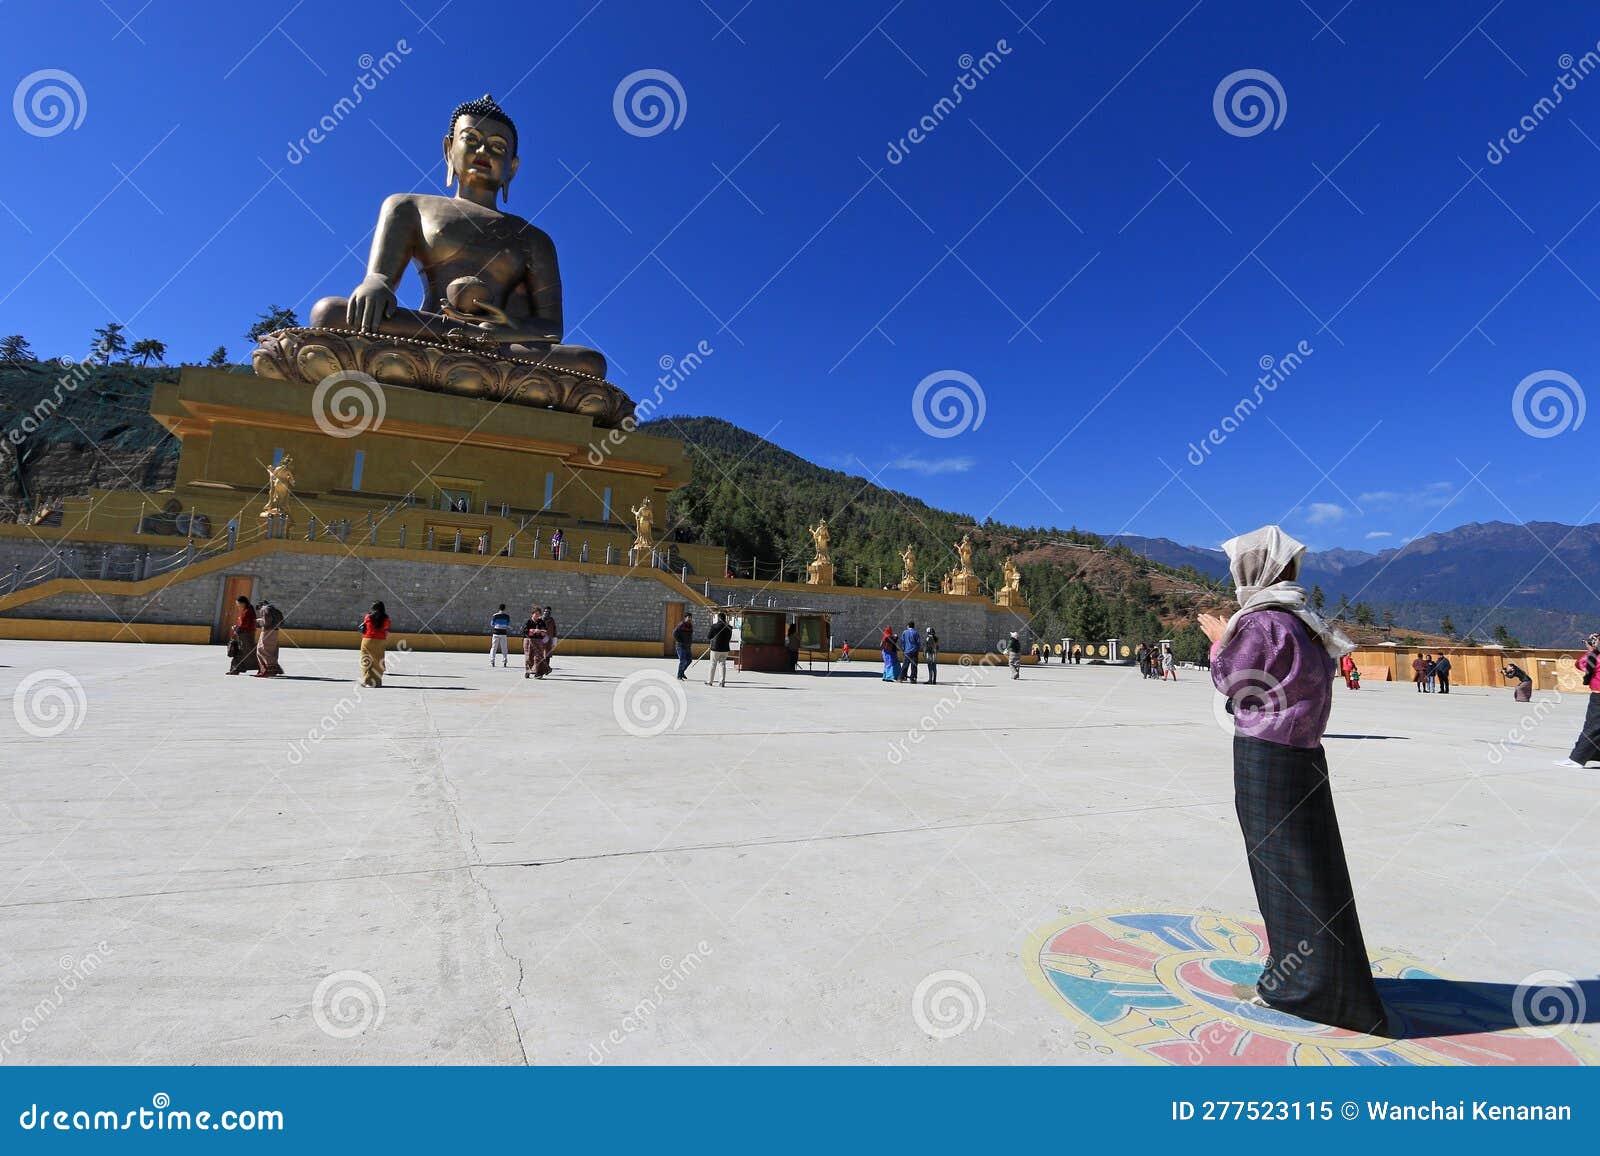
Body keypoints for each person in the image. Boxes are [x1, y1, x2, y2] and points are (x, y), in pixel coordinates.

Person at [1199, 525, 1387, 1036]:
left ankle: (1299, 987)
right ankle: (1323, 979)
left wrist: (1220, 643)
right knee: (1311, 866)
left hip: (1267, 753)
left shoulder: (1261, 622)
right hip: (1303, 752)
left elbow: (1235, 681)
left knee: (1281, 869)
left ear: (1251, 571)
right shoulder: (1303, 619)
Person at [1558, 634, 1600, 767]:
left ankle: (1577, 759)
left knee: (1592, 727)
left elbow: (1580, 664)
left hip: (1598, 696)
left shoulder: (1595, 656)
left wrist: (1591, 649)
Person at [226, 594, 258, 675]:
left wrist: (236, 629)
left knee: (243, 652)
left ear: (243, 603)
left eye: (238, 604)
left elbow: (244, 624)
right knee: (240, 652)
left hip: (245, 635)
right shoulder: (247, 610)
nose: (238, 606)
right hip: (245, 634)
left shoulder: (247, 612)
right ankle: (235, 669)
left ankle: (262, 667)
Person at [360, 601, 390, 687]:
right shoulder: (386, 618)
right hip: (380, 640)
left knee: (366, 659)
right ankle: (377, 681)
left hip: (367, 639)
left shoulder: (368, 616)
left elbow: (365, 625)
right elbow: (386, 628)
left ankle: (367, 680)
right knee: (378, 661)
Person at [254, 600, 284, 678]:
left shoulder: (264, 609)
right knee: (271, 650)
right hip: (275, 631)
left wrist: (258, 621)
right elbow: (281, 621)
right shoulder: (274, 609)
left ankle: (268, 671)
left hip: (267, 631)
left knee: (262, 650)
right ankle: (273, 669)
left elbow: (266, 622)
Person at [523, 605, 553, 679]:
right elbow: (524, 631)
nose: (537, 616)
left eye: (538, 614)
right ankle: (528, 671)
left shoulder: (541, 622)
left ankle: (538, 673)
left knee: (538, 657)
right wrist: (533, 631)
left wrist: (541, 632)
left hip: (538, 641)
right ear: (532, 614)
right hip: (529, 641)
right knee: (529, 657)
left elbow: (545, 631)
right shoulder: (528, 622)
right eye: (536, 614)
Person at [706, 612, 733, 687]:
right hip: (725, 648)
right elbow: (729, 638)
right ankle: (722, 682)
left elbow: (709, 637)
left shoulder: (714, 626)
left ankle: (710, 681)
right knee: (722, 665)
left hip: (715, 648)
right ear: (725, 618)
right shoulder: (729, 627)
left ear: (718, 618)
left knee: (713, 664)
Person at [673, 612, 694, 680]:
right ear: (685, 617)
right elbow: (674, 633)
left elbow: (690, 635)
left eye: (691, 617)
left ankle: (682, 672)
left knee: (689, 660)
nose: (690, 618)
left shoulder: (690, 625)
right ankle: (679, 675)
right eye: (689, 617)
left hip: (688, 646)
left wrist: (690, 642)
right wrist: (680, 640)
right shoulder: (681, 625)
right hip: (681, 646)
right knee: (683, 661)